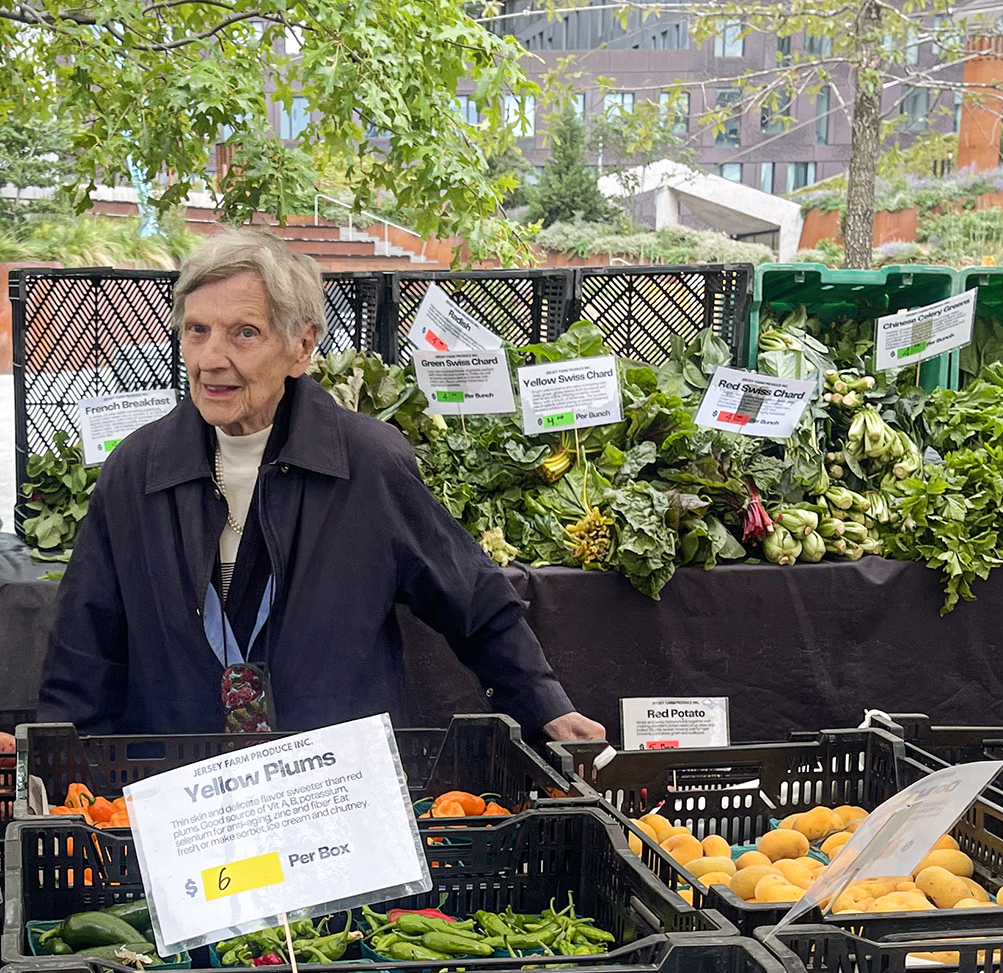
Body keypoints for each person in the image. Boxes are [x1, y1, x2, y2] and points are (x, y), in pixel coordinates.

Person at [36, 227, 603, 741]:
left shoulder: (367, 464)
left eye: (244, 333)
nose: (211, 357)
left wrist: (543, 703)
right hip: (185, 782)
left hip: (334, 783)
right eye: (196, 330)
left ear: (302, 347)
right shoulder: (136, 472)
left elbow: (471, 598)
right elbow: (84, 646)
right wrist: (62, 771)